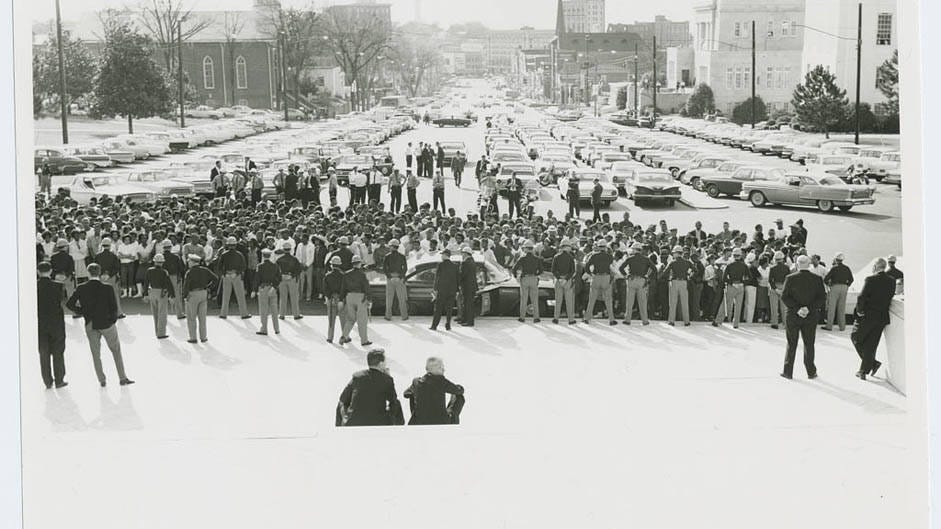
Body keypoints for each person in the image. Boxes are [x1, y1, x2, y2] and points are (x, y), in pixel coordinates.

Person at [65, 263, 134, 387]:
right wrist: (112, 320)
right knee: (116, 351)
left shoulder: (81, 287)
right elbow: (114, 307)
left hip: (90, 323)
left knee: (96, 354)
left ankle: (102, 380)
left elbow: (69, 304)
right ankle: (122, 377)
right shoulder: (107, 288)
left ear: (88, 272)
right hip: (106, 323)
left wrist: (82, 312)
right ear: (100, 272)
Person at [780, 255, 827, 380]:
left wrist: (797, 309)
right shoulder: (817, 279)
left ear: (797, 264)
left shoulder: (790, 278)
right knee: (809, 343)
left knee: (791, 343)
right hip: (810, 316)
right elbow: (822, 298)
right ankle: (811, 372)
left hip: (793, 316)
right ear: (809, 264)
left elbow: (784, 297)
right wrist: (808, 308)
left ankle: (788, 371)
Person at [851, 258, 896, 380]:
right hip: (882, 317)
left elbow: (862, 297)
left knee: (855, 337)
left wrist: (860, 311)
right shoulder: (892, 281)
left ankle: (872, 364)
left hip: (868, 316)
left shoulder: (870, 279)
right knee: (871, 344)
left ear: (876, 266)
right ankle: (863, 371)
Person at [337, 349, 403, 427]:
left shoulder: (357, 376)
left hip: (354, 422)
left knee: (340, 404)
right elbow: (393, 401)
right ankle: (398, 430)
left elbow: (343, 398)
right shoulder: (387, 379)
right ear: (381, 364)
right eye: (385, 361)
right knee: (397, 403)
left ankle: (340, 431)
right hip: (379, 422)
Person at [403, 357, 465, 425]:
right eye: (440, 367)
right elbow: (458, 390)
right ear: (432, 369)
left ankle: (417, 416)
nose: (443, 370)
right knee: (459, 396)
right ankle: (453, 423)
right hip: (440, 422)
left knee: (412, 394)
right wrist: (460, 387)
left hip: (418, 421)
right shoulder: (441, 381)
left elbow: (406, 394)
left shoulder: (416, 382)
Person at [37, 261, 67, 389]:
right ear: (50, 271)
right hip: (56, 322)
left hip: (40, 322)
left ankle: (47, 381)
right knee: (58, 351)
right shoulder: (58, 286)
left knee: (44, 352)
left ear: (38, 271)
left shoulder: (33, 286)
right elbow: (60, 301)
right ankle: (59, 380)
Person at [182, 254, 217, 344]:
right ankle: (203, 337)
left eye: (189, 261)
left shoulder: (189, 272)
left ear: (193, 262)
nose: (188, 262)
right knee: (202, 318)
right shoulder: (205, 270)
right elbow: (215, 279)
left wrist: (185, 296)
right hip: (203, 293)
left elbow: (186, 286)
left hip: (193, 294)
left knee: (191, 317)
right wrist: (209, 288)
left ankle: (193, 337)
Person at [340, 255, 372, 346]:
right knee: (362, 320)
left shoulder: (346, 274)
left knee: (350, 319)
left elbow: (343, 288)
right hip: (360, 297)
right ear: (359, 264)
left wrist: (342, 299)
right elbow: (366, 287)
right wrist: (369, 299)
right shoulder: (362, 274)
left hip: (349, 296)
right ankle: (364, 340)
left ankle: (344, 336)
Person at [584, 240, 617, 325]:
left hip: (596, 277)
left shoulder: (594, 256)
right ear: (605, 247)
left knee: (592, 299)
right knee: (608, 300)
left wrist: (591, 274)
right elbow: (613, 267)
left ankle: (587, 318)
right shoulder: (610, 256)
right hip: (606, 277)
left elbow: (587, 266)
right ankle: (611, 319)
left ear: (598, 247)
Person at [620, 242, 653, 325]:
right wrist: (647, 276)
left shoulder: (630, 258)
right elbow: (654, 269)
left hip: (631, 280)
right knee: (642, 302)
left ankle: (627, 320)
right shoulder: (646, 259)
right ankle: (645, 320)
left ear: (634, 250)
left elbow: (621, 268)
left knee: (630, 301)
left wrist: (626, 275)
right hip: (641, 280)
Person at [714, 248, 747, 328]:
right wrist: (742, 283)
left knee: (725, 304)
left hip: (731, 286)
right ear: (740, 256)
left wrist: (732, 282)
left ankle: (718, 320)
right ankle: (736, 323)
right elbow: (750, 277)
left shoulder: (729, 265)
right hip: (740, 286)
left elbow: (724, 278)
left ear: (733, 255)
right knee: (738, 306)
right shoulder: (744, 266)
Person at [218, 236, 250, 319]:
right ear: (235, 245)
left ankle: (223, 314)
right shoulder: (239, 254)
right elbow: (243, 266)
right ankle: (244, 314)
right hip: (236, 275)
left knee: (225, 296)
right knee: (240, 296)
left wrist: (224, 274)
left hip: (227, 275)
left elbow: (219, 266)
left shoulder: (224, 254)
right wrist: (237, 273)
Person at [144, 253, 175, 339]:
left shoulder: (149, 270)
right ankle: (161, 333)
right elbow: (168, 284)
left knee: (155, 313)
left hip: (152, 292)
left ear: (154, 262)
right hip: (162, 292)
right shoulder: (164, 272)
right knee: (162, 313)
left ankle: (157, 332)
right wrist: (172, 295)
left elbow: (146, 283)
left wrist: (145, 294)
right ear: (162, 262)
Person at [94, 238, 124, 319]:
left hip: (101, 277)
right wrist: (109, 274)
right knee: (114, 295)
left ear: (102, 245)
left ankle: (101, 313)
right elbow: (117, 267)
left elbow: (95, 267)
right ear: (110, 246)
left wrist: (101, 274)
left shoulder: (97, 255)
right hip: (111, 277)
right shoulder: (113, 256)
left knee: (101, 295)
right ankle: (118, 313)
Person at [513, 240, 542, 323]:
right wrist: (536, 274)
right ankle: (536, 317)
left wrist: (516, 276)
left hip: (525, 278)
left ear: (525, 249)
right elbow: (541, 270)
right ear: (532, 249)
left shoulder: (522, 258)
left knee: (524, 299)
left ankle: (522, 317)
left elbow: (514, 268)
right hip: (533, 278)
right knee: (534, 299)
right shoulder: (537, 259)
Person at [823, 253, 854, 331]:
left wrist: (829, 284)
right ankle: (842, 326)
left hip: (835, 287)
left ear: (836, 259)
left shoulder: (834, 268)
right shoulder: (847, 268)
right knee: (841, 308)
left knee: (832, 307)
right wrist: (847, 285)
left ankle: (829, 326)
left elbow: (826, 279)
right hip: (844, 287)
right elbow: (851, 279)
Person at [431, 249, 459, 330]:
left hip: (442, 290)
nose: (441, 256)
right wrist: (456, 290)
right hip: (451, 291)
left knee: (438, 308)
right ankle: (448, 324)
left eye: (442, 254)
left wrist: (435, 289)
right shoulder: (455, 266)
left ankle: (434, 325)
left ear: (445, 255)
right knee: (449, 309)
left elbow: (437, 278)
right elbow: (457, 279)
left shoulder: (440, 265)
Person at [255, 248, 281, 336]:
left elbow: (257, 279)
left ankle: (264, 329)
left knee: (263, 310)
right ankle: (276, 329)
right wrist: (274, 286)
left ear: (263, 255)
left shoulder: (260, 266)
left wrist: (254, 290)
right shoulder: (275, 265)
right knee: (274, 309)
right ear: (270, 256)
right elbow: (279, 278)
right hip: (272, 288)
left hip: (263, 288)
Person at [551, 241, 577, 325]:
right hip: (567, 280)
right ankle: (571, 319)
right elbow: (572, 270)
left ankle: (556, 318)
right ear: (566, 247)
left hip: (558, 280)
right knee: (569, 301)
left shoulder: (556, 256)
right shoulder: (570, 257)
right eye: (569, 246)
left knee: (558, 300)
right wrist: (566, 279)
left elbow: (553, 270)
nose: (570, 248)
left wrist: (559, 278)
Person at [276, 242, 303, 320]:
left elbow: (276, 270)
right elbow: (298, 270)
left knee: (282, 297)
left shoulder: (279, 259)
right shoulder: (294, 259)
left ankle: (281, 314)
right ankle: (296, 314)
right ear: (290, 249)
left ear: (283, 250)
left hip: (282, 278)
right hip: (291, 278)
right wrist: (292, 275)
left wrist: (281, 276)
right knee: (294, 297)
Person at [383, 239, 408, 321]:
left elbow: (384, 269)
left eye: (390, 246)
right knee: (401, 298)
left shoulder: (387, 256)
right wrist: (400, 277)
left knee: (389, 298)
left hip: (390, 278)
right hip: (399, 278)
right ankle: (404, 316)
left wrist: (390, 277)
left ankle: (388, 316)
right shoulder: (402, 256)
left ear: (392, 247)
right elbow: (405, 268)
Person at [665, 245, 691, 326]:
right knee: (685, 302)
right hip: (684, 282)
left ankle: (671, 321)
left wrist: (668, 277)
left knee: (673, 302)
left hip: (675, 282)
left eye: (673, 253)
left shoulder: (672, 262)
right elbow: (695, 270)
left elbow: (665, 272)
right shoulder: (687, 262)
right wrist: (688, 275)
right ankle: (686, 321)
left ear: (676, 253)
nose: (673, 254)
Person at [324, 256, 347, 343]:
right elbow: (345, 289)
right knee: (343, 319)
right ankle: (345, 336)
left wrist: (329, 297)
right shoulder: (343, 276)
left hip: (331, 298)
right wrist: (341, 298)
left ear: (331, 265)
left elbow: (325, 289)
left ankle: (330, 337)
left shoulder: (327, 276)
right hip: (341, 299)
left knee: (331, 319)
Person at [768, 251, 791, 329]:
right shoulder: (787, 268)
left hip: (774, 287)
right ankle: (785, 323)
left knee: (774, 306)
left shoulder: (772, 268)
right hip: (784, 286)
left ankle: (775, 323)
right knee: (784, 307)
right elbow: (788, 279)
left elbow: (770, 280)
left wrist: (775, 288)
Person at [458, 246, 477, 327]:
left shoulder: (465, 262)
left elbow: (462, 275)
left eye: (462, 253)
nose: (462, 255)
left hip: (466, 286)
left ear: (466, 253)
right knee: (468, 303)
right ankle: (465, 320)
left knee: (467, 304)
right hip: (471, 286)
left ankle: (469, 321)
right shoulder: (472, 261)